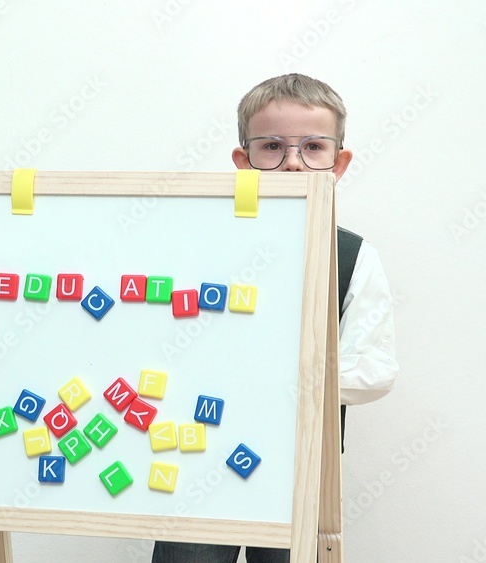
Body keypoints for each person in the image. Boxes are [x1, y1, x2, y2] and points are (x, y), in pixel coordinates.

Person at [151, 73, 399, 563]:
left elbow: (374, 369)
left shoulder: (354, 256)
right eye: (271, 147)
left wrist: (280, 376)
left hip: (301, 465)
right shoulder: (197, 246)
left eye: (312, 147)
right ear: (244, 162)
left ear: (338, 164)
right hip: (200, 455)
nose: (291, 163)